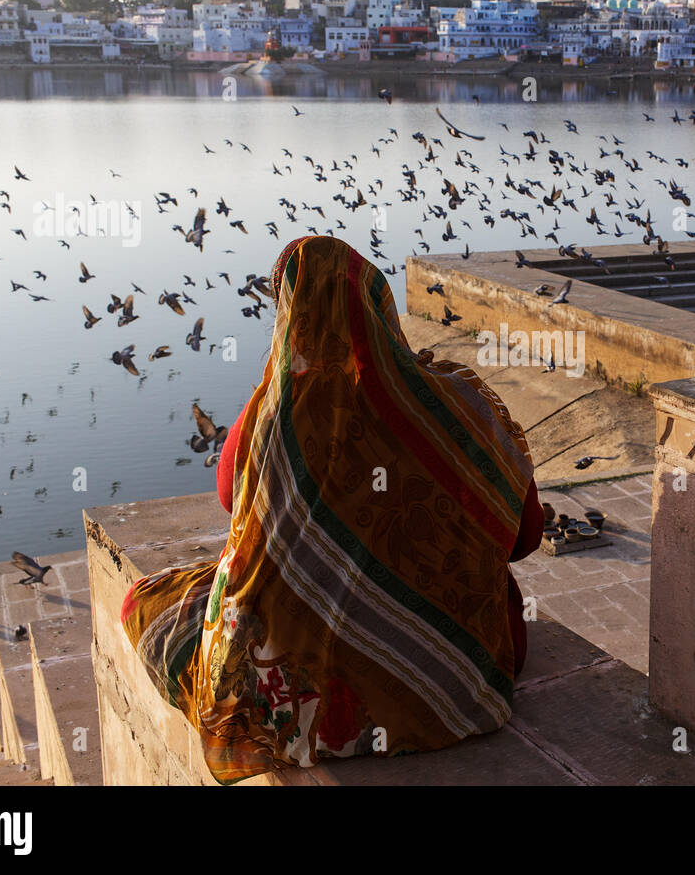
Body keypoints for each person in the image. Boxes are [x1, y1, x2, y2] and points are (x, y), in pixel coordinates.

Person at [121, 235, 541, 784]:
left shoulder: (268, 421)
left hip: (302, 693)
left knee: (147, 604)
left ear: (286, 316)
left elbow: (231, 503)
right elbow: (526, 537)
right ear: (380, 307)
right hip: (464, 677)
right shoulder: (458, 404)